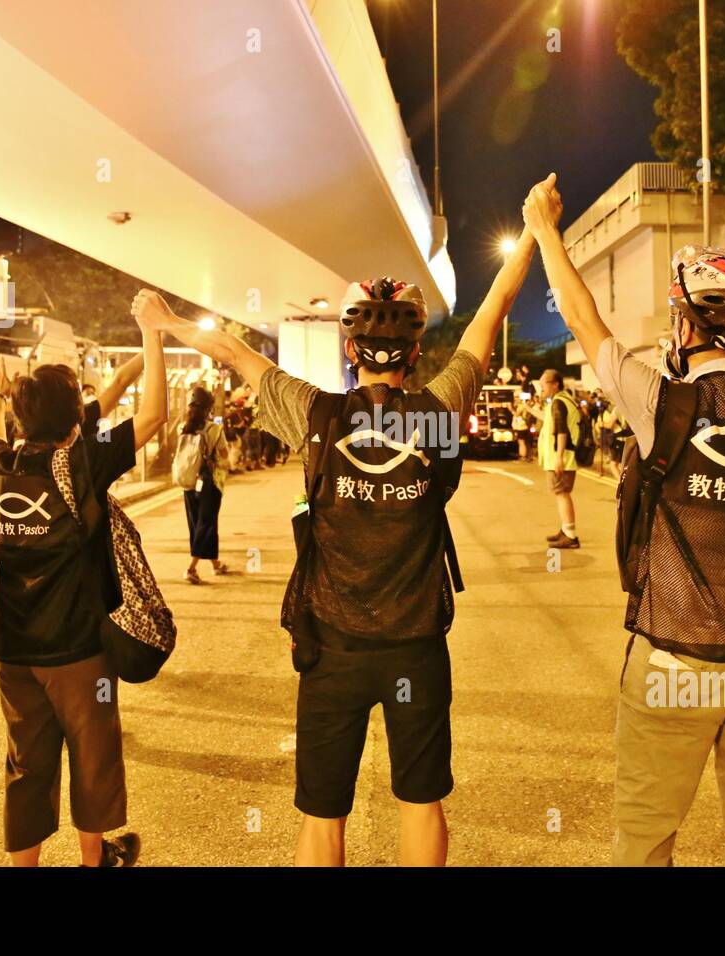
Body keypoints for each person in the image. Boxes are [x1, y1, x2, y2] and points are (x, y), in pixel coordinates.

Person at [130, 203, 542, 867]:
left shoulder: (317, 416)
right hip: (416, 649)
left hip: (332, 650)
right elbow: (492, 311)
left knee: (322, 816)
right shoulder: (439, 414)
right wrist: (534, 232)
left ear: (351, 352)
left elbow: (233, 351)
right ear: (414, 353)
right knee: (421, 803)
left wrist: (163, 322)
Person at [524, 174, 725, 866]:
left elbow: (580, 316)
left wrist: (543, 228)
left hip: (671, 667)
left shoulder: (660, 404)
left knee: (647, 841)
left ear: (686, 328)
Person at [0, 302, 167, 868]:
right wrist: (153, 335)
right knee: (93, 753)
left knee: (27, 763)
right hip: (77, 650)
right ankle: (94, 860)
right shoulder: (80, 463)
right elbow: (154, 416)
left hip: (12, 649)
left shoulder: (3, 463)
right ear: (75, 423)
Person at [178, 385, 230, 584]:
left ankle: (216, 565)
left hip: (188, 481)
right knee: (206, 523)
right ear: (209, 407)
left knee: (197, 524)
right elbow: (224, 455)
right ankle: (191, 568)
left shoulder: (182, 427)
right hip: (209, 482)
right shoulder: (214, 429)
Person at [538, 368, 581, 548]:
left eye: (543, 384)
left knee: (562, 494)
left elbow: (561, 430)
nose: (541, 388)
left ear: (555, 384)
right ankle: (565, 529)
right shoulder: (564, 400)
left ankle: (570, 535)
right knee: (561, 494)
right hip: (563, 456)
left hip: (561, 457)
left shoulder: (558, 403)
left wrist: (559, 457)